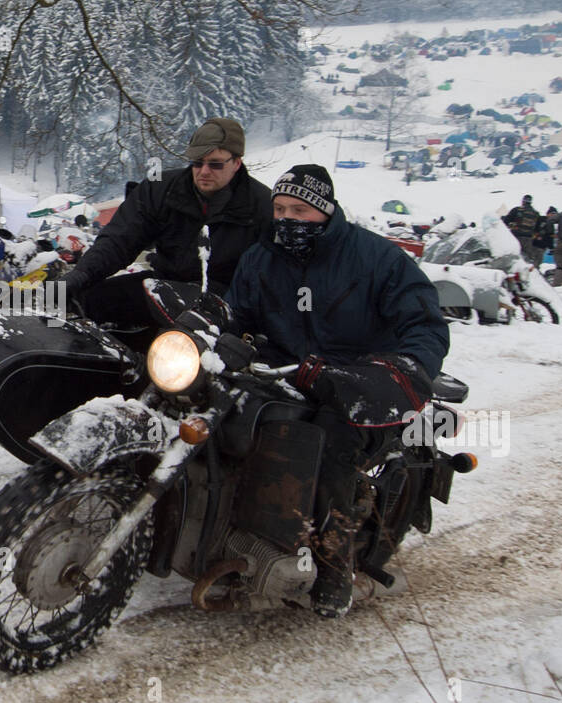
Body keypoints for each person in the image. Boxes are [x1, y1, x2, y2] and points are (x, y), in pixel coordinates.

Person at [223, 165, 449, 618]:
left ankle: (334, 570)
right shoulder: (260, 257)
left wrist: (400, 370)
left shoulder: (377, 258)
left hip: (359, 382)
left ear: (325, 212)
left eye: (300, 210)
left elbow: (424, 324)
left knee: (329, 444)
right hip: (289, 372)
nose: (288, 218)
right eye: (281, 208)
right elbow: (237, 316)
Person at [62, 117, 271, 330]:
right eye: (197, 162)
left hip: (225, 303)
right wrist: (82, 273)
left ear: (237, 163)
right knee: (75, 299)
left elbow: (266, 282)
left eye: (215, 164)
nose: (204, 171)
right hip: (162, 287)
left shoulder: (264, 207)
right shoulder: (160, 189)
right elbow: (120, 239)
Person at [502, 195, 540, 260]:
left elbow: (506, 221)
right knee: (526, 257)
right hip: (528, 239)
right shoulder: (536, 213)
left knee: (513, 255)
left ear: (523, 201)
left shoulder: (517, 210)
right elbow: (537, 228)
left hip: (515, 237)